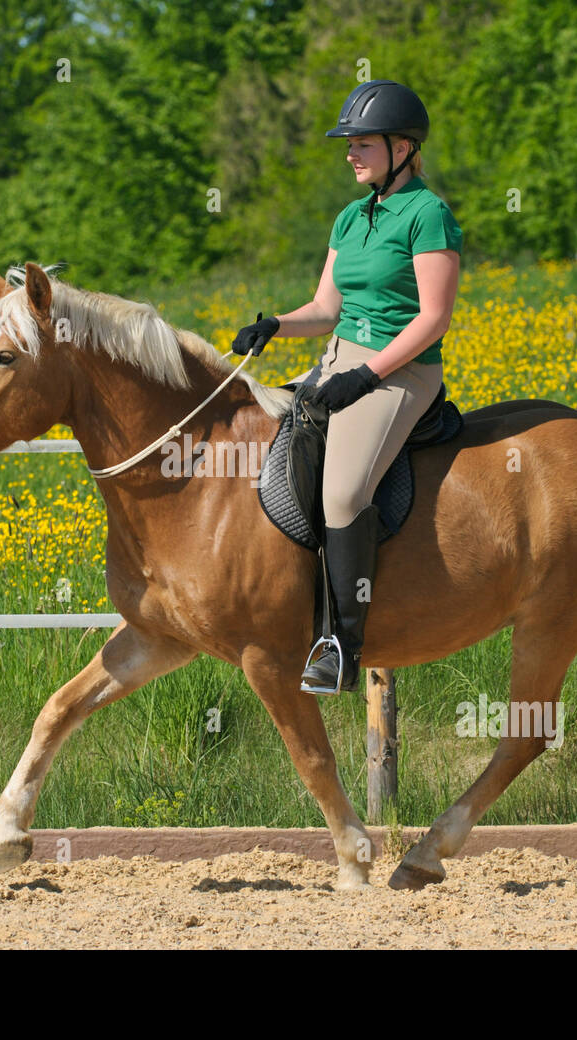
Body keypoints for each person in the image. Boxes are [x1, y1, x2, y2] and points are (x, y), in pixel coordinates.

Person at [232, 79, 463, 694]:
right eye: (349, 143)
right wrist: (277, 325)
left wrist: (367, 375)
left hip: (400, 371)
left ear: (404, 147)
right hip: (338, 359)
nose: (351, 153)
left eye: (363, 143)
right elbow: (325, 307)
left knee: (342, 492)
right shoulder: (349, 217)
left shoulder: (427, 214)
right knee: (266, 445)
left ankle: (340, 645)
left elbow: (432, 318)